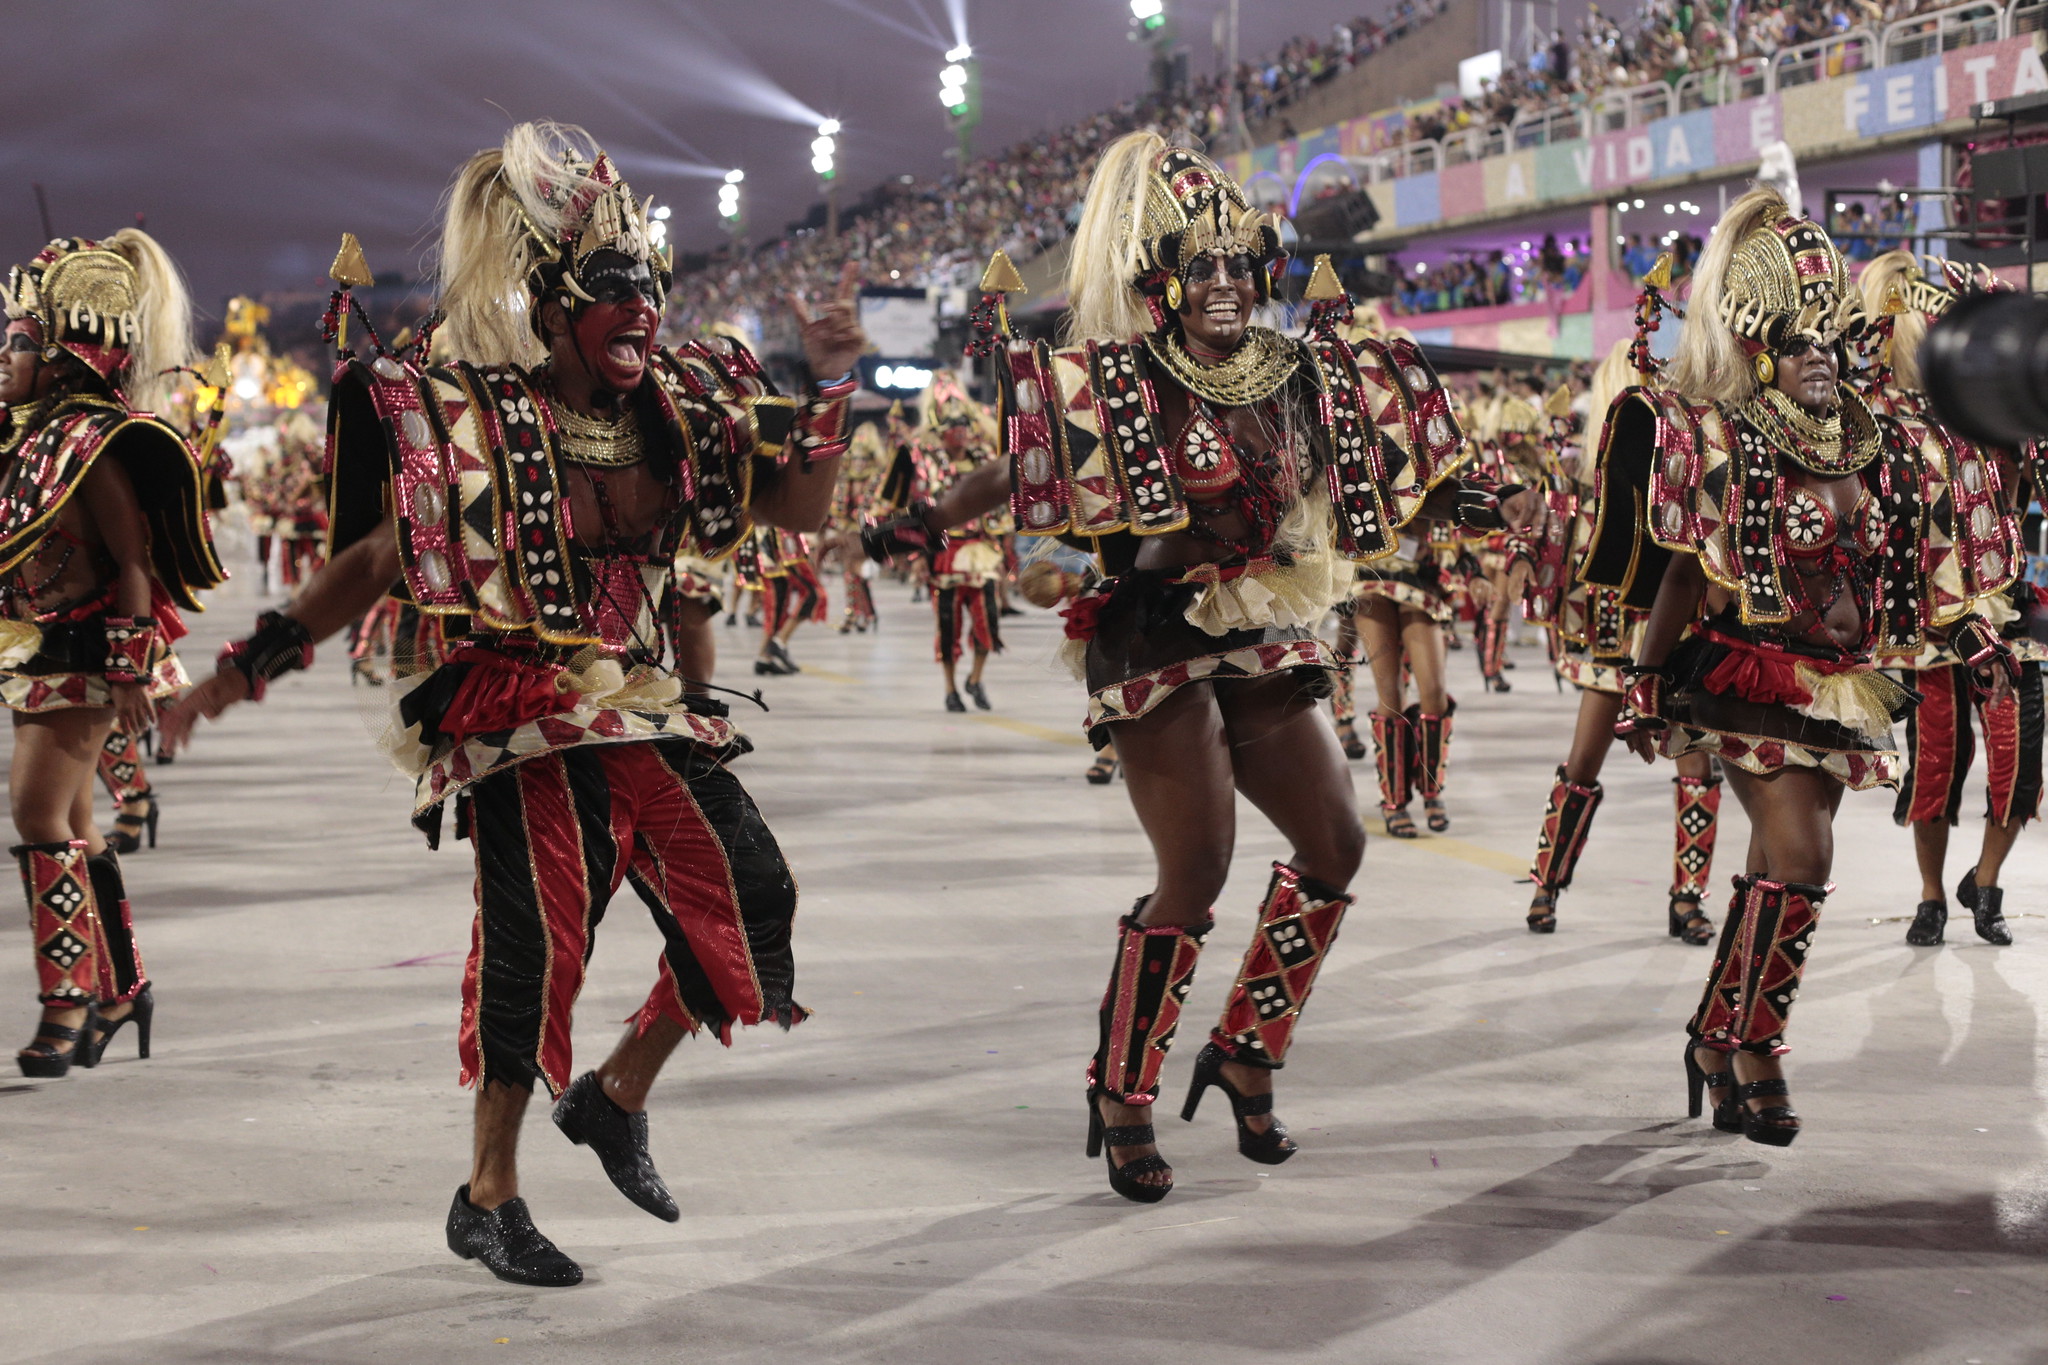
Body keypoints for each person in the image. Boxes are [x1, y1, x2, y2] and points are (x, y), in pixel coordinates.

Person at [160, 122, 864, 1285]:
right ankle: (487, 1195)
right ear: (549, 304)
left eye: (649, 289)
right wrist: (232, 678)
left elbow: (796, 509)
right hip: (517, 707)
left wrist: (834, 381)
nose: (642, 310)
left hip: (638, 703)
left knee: (756, 897)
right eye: (613, 290)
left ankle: (614, 1096)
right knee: (536, 945)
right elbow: (374, 560)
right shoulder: (474, 415)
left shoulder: (681, 408)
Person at [868, 134, 1530, 1202]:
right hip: (1154, 633)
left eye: (1239, 263)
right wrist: (924, 521)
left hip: (1258, 621)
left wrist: (1471, 501)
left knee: (1336, 843)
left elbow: (1382, 470)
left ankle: (1246, 1051)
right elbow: (1016, 466)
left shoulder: (1300, 372)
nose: (1224, 282)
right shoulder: (1119, 376)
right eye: (1201, 264)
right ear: (1162, 281)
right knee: (1200, 868)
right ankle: (1122, 1090)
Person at [1582, 190, 2020, 1146]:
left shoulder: (1878, 439)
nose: (1820, 355)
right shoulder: (1728, 438)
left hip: (1842, 683)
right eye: (1797, 341)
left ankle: (1713, 1037)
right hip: (1747, 678)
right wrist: (1644, 684)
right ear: (1756, 351)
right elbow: (1684, 573)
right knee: (1806, 862)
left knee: (1771, 869)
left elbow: (1917, 565)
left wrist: (1969, 632)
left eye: (1828, 338)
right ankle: (1760, 1050)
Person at [0, 231, 224, 1075]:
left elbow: (134, 563)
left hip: (86, 653)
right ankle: (124, 987)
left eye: (21, 342)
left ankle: (66, 1001)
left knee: (36, 815)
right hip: (37, 651)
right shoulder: (28, 438)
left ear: (65, 356)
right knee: (77, 823)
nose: (4, 356)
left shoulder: (93, 444)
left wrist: (132, 672)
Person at [1857, 251, 2040, 947]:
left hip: (2008, 607)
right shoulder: (1880, 420)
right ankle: (1931, 895)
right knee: (1935, 764)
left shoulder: (2001, 411)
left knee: (2019, 763)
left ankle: (1986, 885)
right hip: (1928, 623)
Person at [1520, 340, 1722, 939]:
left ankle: (1688, 898)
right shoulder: (1588, 484)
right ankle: (1546, 882)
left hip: (1674, 643)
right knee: (1583, 762)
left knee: (1696, 765)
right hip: (1612, 647)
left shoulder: (1682, 476)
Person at [874, 372, 1009, 710]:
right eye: (952, 426)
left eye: (964, 425)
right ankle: (950, 688)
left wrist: (1002, 550)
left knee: (988, 621)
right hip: (944, 554)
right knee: (947, 625)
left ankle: (975, 679)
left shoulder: (983, 458)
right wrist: (915, 557)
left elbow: (1001, 506)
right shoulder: (923, 460)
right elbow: (901, 505)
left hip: (981, 551)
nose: (960, 432)